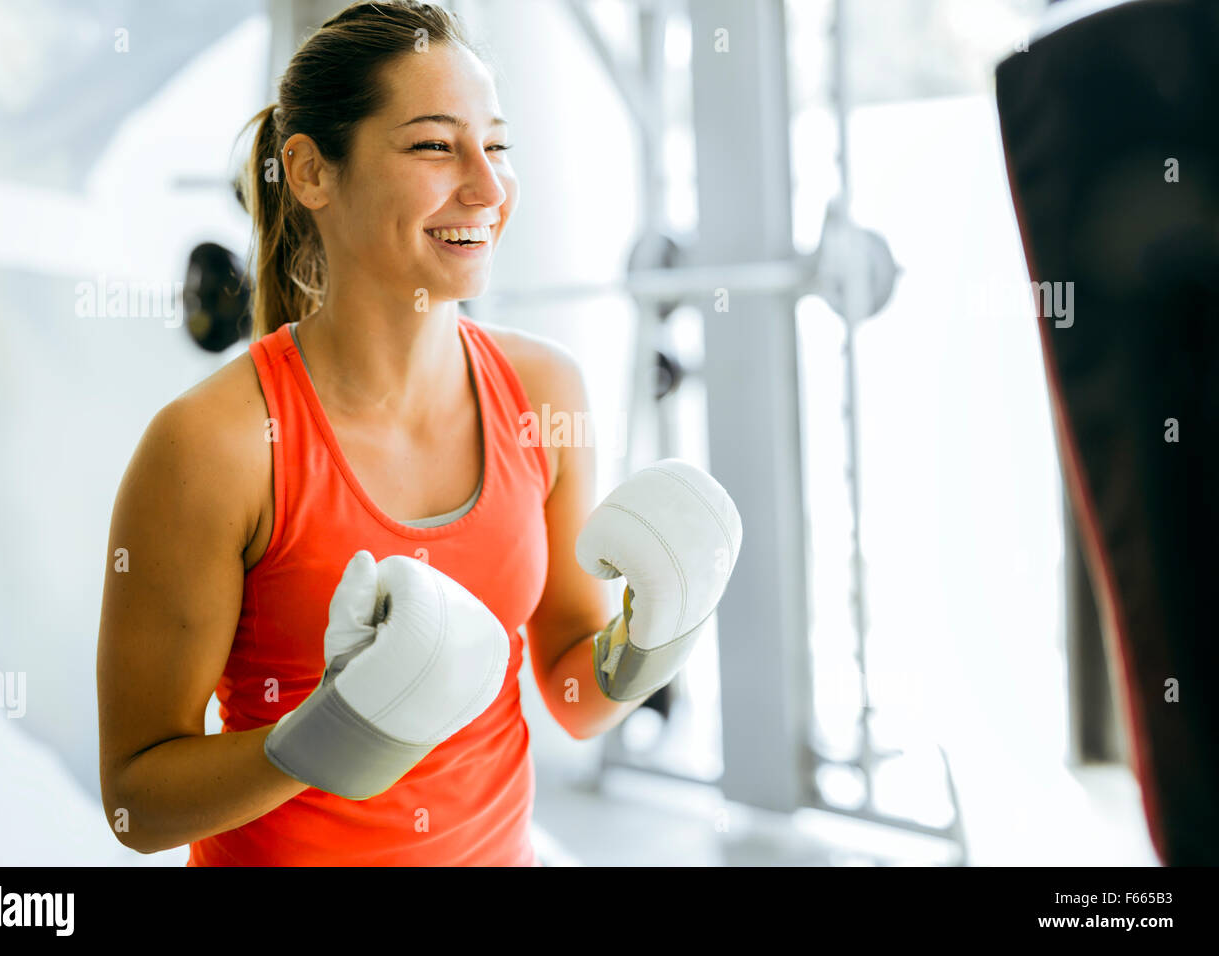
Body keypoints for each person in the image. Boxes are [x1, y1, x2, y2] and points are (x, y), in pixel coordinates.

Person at [96, 0, 738, 866]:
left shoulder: (543, 392)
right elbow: (138, 805)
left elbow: (572, 692)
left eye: (497, 146)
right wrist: (322, 736)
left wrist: (656, 632)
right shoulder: (213, 447)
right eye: (435, 145)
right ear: (314, 174)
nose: (487, 185)